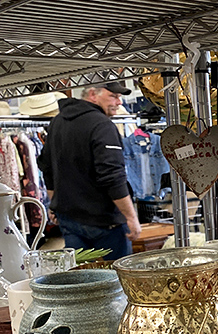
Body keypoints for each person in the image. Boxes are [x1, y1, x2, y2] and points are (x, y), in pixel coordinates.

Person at [37, 82, 142, 260]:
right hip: (105, 223)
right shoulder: (102, 125)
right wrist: (131, 217)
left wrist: (55, 203)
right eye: (113, 96)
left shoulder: (57, 122)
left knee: (81, 282)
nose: (119, 102)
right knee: (116, 281)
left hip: (70, 220)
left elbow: (47, 167)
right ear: (93, 94)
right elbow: (112, 176)